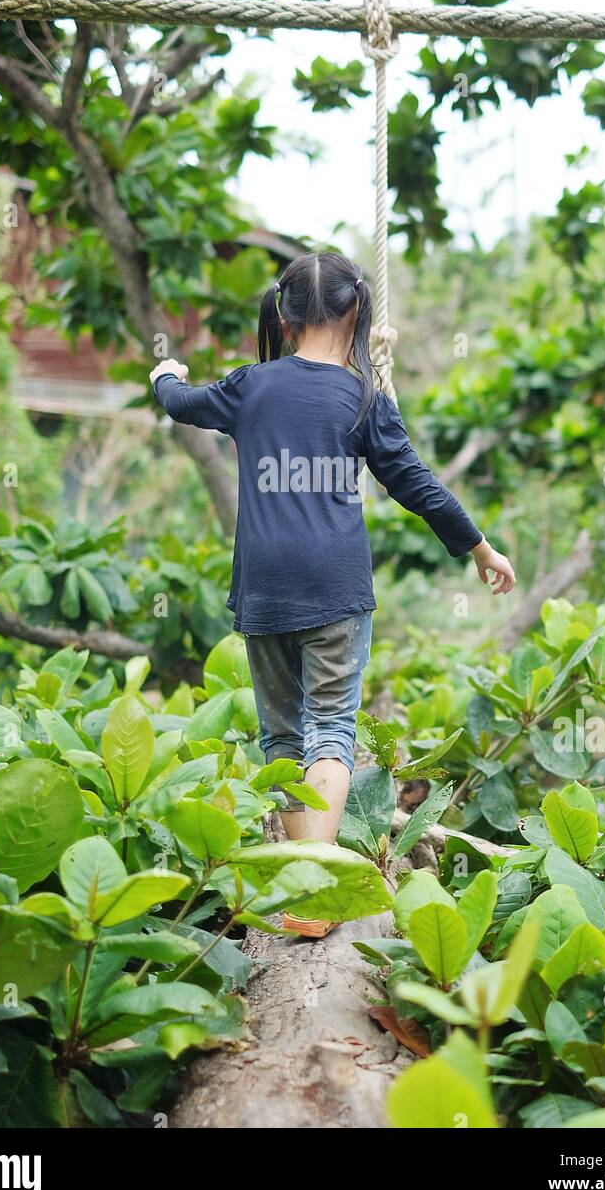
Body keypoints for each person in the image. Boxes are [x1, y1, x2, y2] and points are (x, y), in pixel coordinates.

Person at [150, 251, 515, 936]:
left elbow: (178, 402)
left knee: (282, 734)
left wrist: (166, 374)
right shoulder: (362, 399)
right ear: (354, 311)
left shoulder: (249, 387)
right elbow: (417, 484)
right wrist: (478, 547)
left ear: (283, 316)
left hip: (264, 590)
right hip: (334, 589)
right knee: (331, 730)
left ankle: (301, 887)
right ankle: (313, 890)